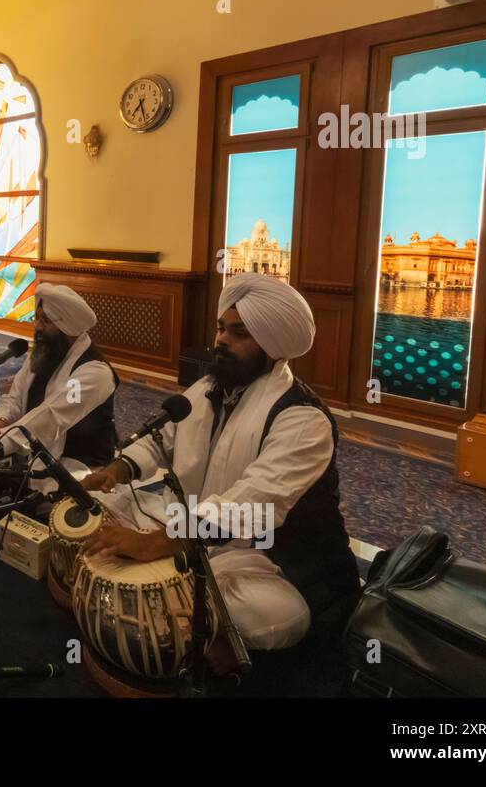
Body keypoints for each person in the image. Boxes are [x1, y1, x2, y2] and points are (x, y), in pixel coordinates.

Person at [79, 272, 359, 661]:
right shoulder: (208, 388)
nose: (222, 341)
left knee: (271, 613)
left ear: (272, 346)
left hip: (271, 560)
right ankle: (181, 603)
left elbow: (252, 503)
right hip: (199, 533)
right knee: (104, 503)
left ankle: (190, 615)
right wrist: (120, 468)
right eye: (221, 329)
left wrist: (157, 544)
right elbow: (163, 438)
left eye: (240, 333)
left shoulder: (302, 419)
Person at [0, 283, 118, 480]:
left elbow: (52, 414)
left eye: (46, 321)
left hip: (80, 466)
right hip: (34, 446)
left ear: (68, 328)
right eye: (36, 318)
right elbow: (16, 395)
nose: (37, 327)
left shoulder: (95, 373)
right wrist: (0, 420)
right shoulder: (44, 353)